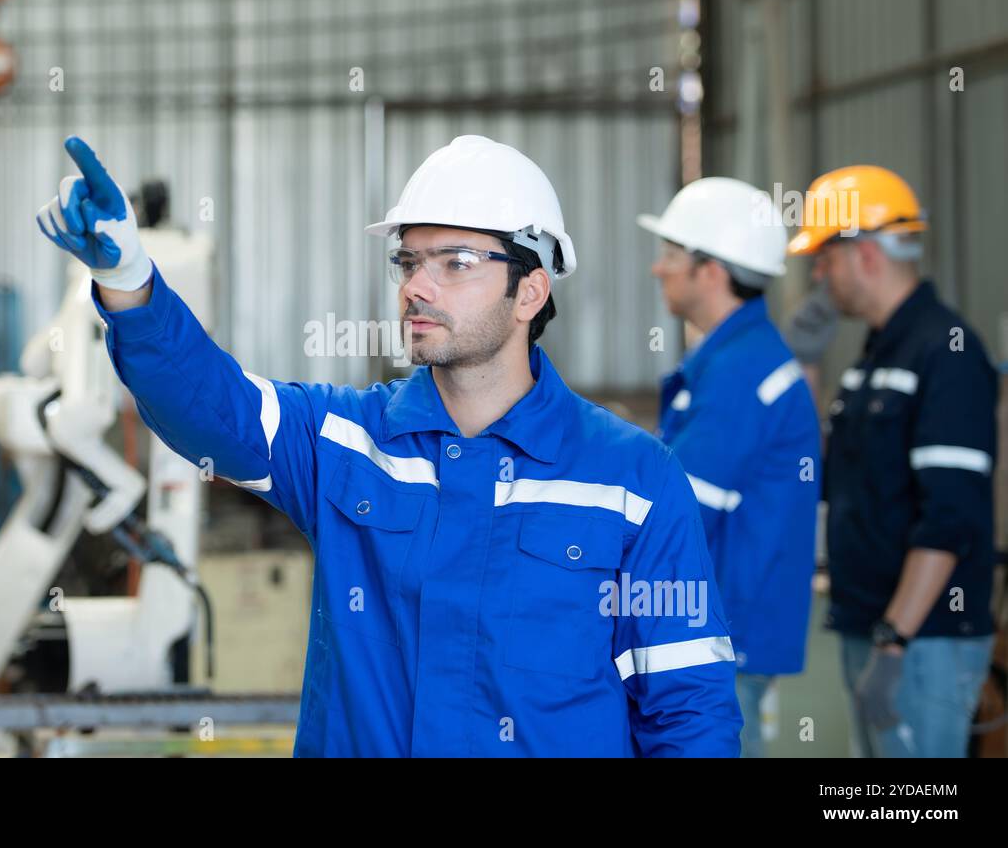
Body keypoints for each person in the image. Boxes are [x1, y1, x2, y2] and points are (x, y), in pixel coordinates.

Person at [36, 133, 742, 756]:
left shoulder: (635, 480)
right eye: (409, 262)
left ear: (530, 292)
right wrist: (129, 280)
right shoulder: (346, 443)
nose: (417, 287)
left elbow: (689, 706)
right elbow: (212, 405)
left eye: (456, 263)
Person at [787, 165, 998, 758]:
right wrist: (805, 366)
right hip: (876, 624)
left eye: (825, 260)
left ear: (865, 255)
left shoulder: (945, 351)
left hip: (920, 638)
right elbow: (824, 472)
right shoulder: (874, 356)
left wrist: (894, 639)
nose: (820, 278)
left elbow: (950, 516)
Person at [640, 178, 820, 757]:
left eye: (671, 255)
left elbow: (680, 513)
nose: (657, 269)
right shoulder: (736, 359)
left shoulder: (741, 371)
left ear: (711, 271)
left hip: (721, 633)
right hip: (728, 624)